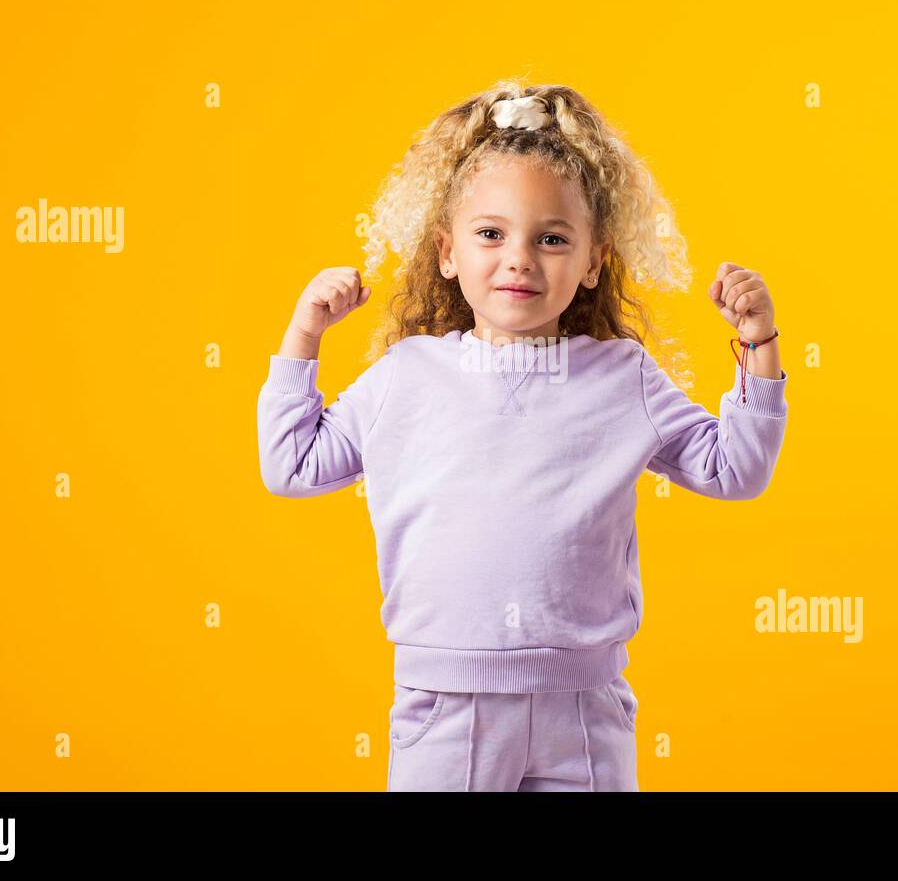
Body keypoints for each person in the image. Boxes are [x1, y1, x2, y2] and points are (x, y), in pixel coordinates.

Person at [257, 80, 788, 791]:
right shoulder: (406, 376)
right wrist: (304, 335)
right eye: (490, 234)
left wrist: (759, 345)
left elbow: (735, 470)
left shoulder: (622, 376)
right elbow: (291, 466)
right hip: (444, 704)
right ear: (447, 253)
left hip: (583, 707)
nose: (519, 258)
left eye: (552, 238)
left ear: (594, 262)